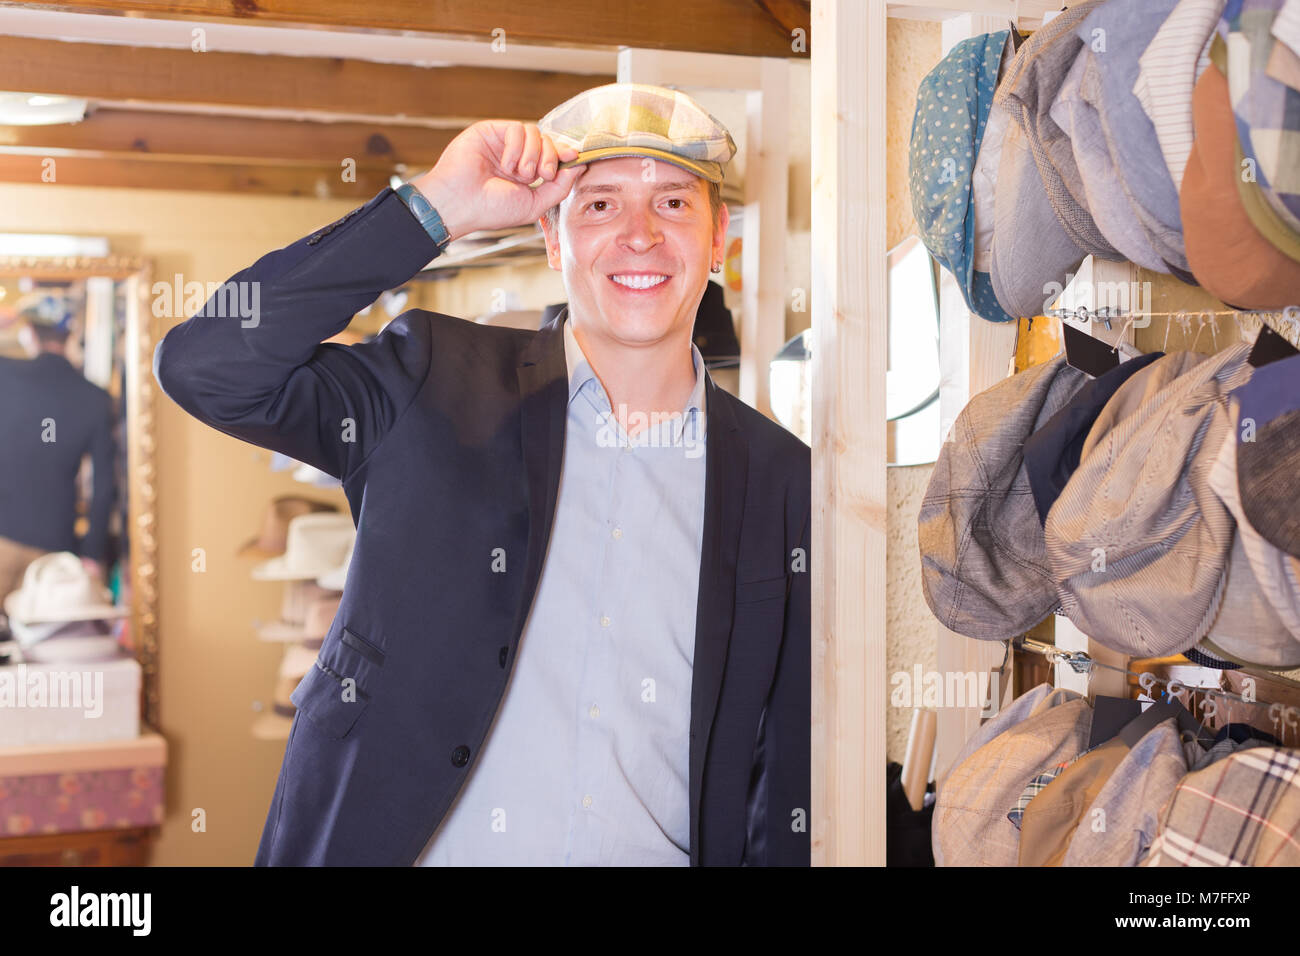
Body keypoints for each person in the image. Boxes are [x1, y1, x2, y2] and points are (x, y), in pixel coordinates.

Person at [154, 83, 810, 866]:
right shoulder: (432, 381)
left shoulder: (784, 480)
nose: (640, 236)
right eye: (599, 205)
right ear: (551, 237)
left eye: (672, 203)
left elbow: (780, 765)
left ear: (717, 239)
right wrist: (435, 208)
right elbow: (208, 366)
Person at [0, 295, 115, 598]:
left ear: (30, 332)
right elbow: (103, 487)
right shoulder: (95, 398)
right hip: (54, 546)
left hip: (2, 532)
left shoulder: (6, 375)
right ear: (70, 336)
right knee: (45, 642)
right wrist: (91, 554)